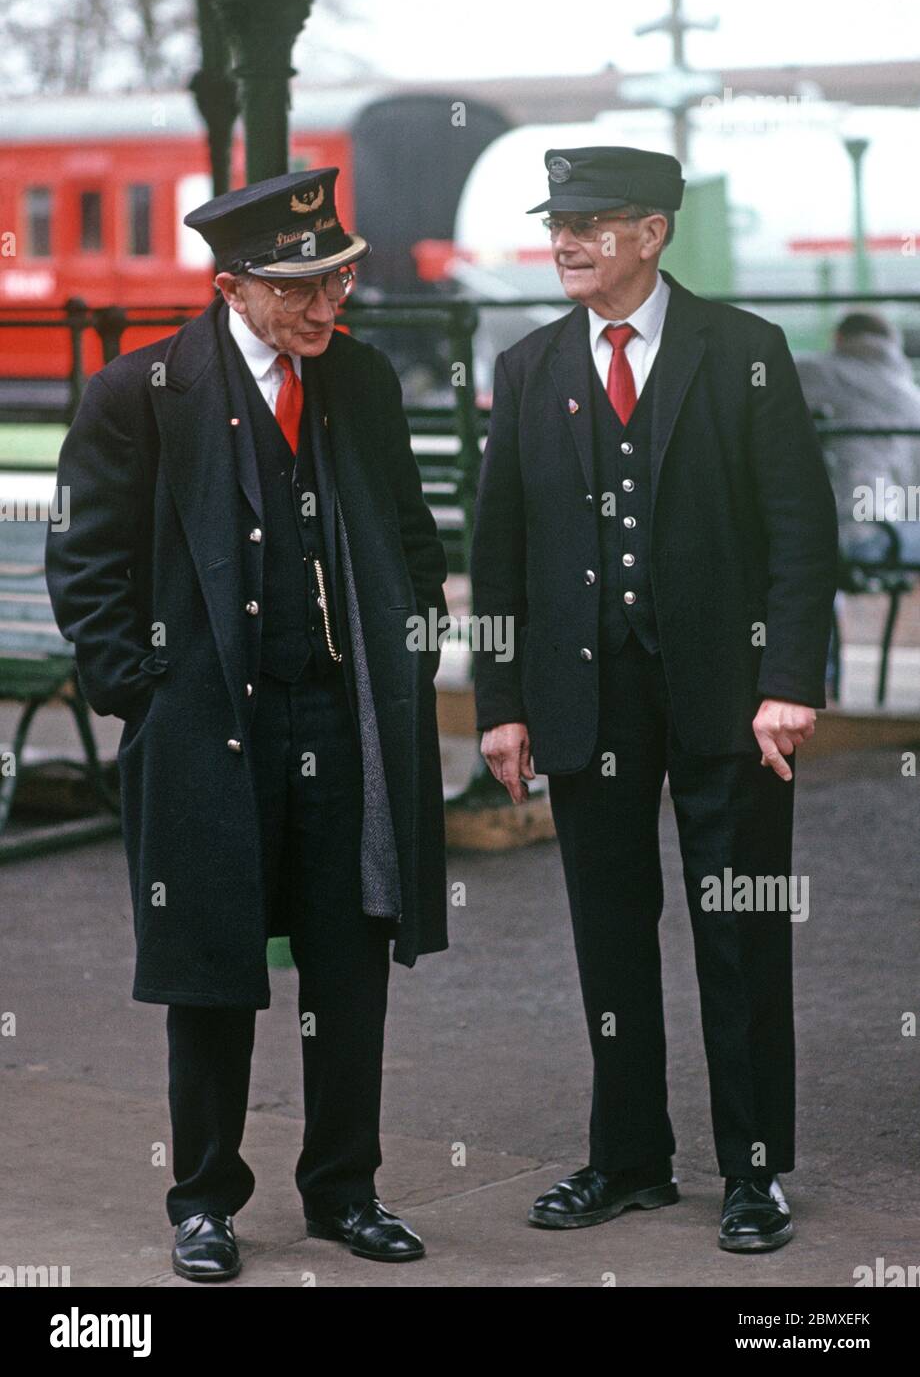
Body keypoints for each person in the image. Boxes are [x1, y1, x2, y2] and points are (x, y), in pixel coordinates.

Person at [45, 168, 449, 1278]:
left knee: (347, 958)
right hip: (204, 728)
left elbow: (411, 535)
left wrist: (406, 647)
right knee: (209, 970)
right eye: (302, 289)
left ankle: (344, 1192)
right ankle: (204, 1200)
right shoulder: (141, 389)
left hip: (343, 717)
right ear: (230, 286)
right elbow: (85, 563)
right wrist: (145, 691)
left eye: (340, 279)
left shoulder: (358, 380)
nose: (329, 307)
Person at [471, 146, 838, 1252]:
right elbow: (498, 551)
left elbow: (798, 532)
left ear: (653, 233)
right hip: (587, 702)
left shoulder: (745, 352)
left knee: (739, 934)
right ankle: (627, 1158)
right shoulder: (529, 366)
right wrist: (501, 700)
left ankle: (753, 1174)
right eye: (559, 223)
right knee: (609, 938)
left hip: (730, 701)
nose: (567, 241)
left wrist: (785, 683)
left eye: (594, 222)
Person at [796, 311, 920, 556]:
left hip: (817, 532)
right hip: (882, 532)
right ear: (893, 344)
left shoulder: (812, 371)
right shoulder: (911, 396)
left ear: (838, 338)